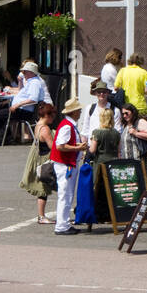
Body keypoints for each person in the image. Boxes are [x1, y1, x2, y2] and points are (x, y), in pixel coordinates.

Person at [0, 61, 47, 146]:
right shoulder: (30, 82)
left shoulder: (35, 83)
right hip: (20, 109)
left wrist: (17, 105)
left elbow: (33, 99)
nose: (23, 73)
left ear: (31, 72)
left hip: (24, 111)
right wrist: (20, 81)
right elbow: (21, 92)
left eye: (25, 72)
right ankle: (5, 138)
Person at [50, 97, 86, 236]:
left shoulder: (68, 124)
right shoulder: (67, 126)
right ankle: (61, 225)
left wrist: (78, 146)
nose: (80, 112)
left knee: (66, 194)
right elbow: (60, 146)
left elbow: (63, 144)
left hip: (67, 163)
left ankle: (63, 223)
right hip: (66, 165)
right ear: (75, 112)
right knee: (65, 195)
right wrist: (77, 148)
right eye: (79, 110)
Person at [20, 102, 58, 225]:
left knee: (43, 188)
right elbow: (52, 146)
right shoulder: (45, 129)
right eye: (52, 115)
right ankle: (41, 216)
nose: (53, 118)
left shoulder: (38, 125)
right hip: (43, 159)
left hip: (38, 157)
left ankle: (41, 215)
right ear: (47, 115)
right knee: (43, 189)